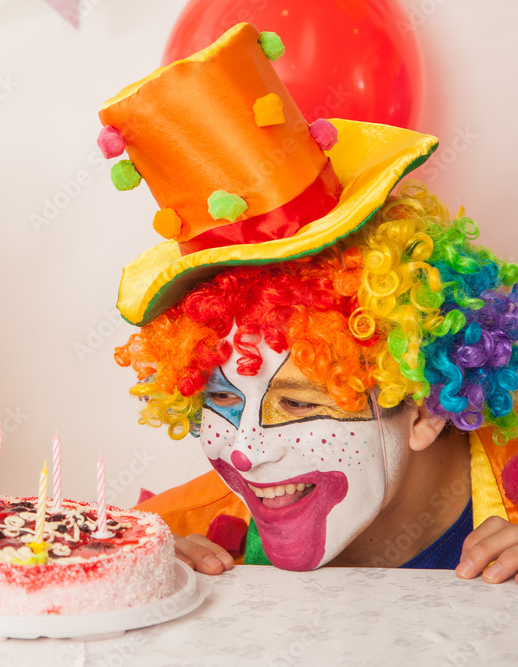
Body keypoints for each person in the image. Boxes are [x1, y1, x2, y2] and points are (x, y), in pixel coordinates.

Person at [97, 24, 518, 582]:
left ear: (423, 407)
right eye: (222, 397)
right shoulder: (164, 541)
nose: (246, 450)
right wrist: (135, 603)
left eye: (295, 404)